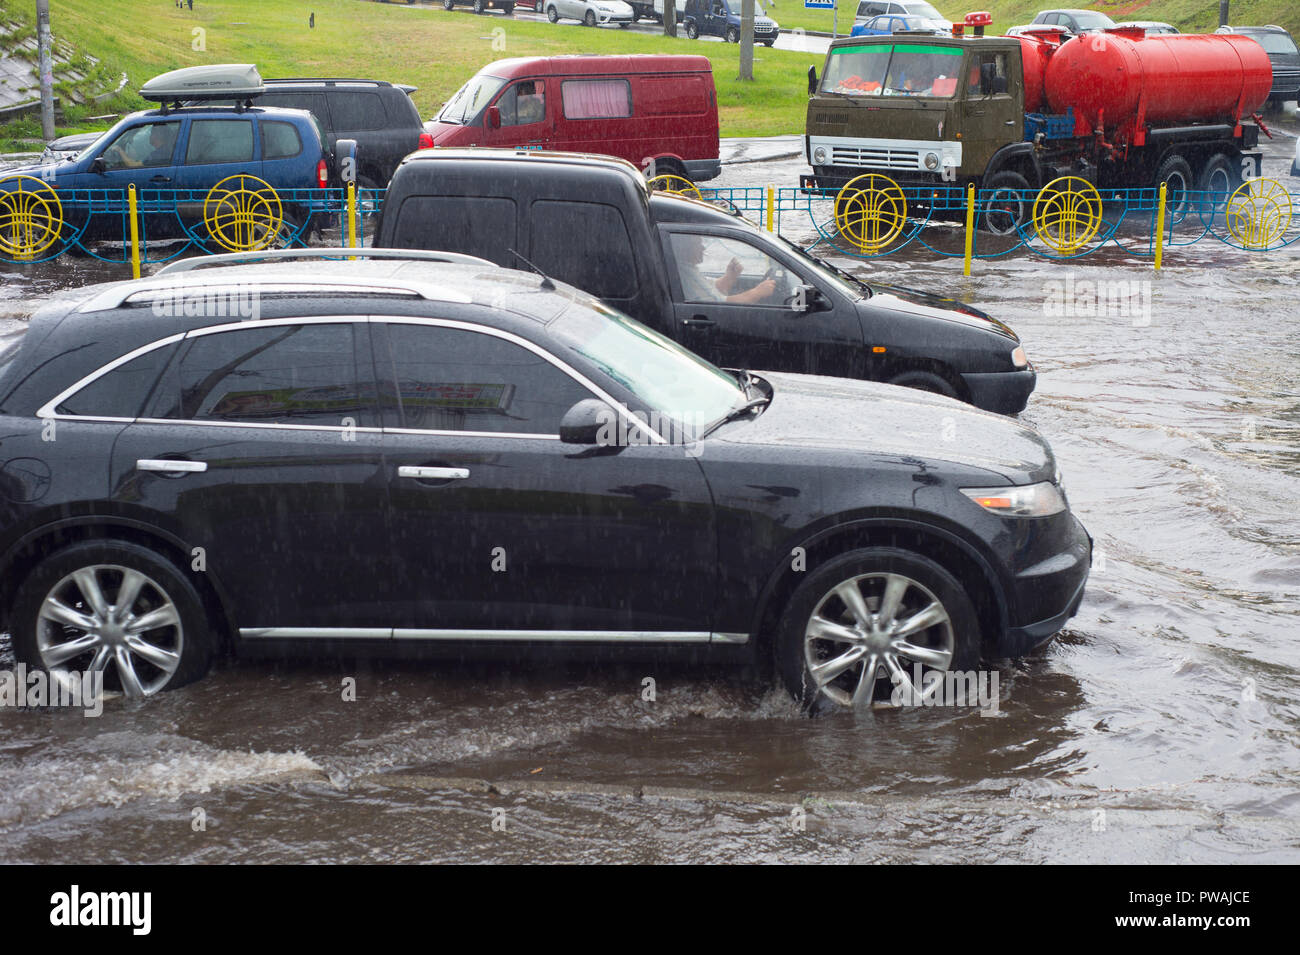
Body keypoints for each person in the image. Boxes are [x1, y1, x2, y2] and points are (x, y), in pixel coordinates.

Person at [677, 235, 777, 305]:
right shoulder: (685, 274)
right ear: (685, 248)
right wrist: (757, 292)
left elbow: (710, 290)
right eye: (697, 244)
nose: (703, 248)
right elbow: (720, 304)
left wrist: (730, 277)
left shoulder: (686, 269)